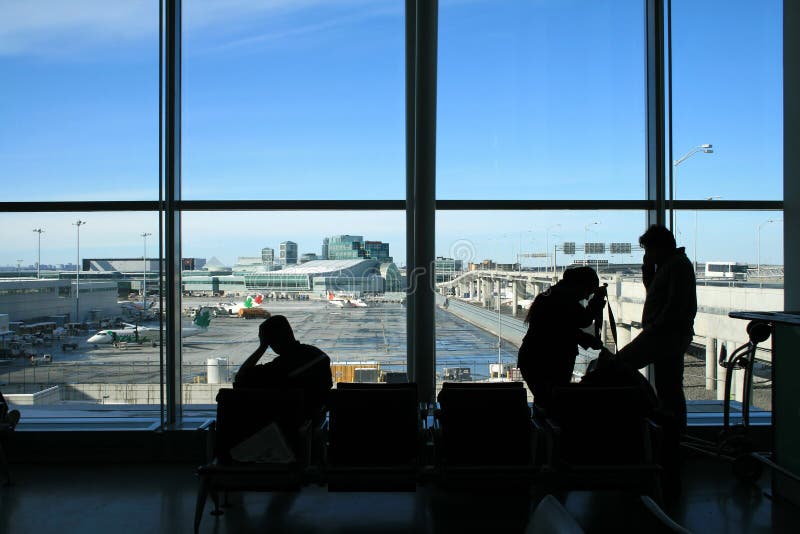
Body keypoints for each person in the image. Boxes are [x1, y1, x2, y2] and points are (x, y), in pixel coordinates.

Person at [615, 224, 697, 431]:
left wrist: (654, 327)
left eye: (648, 249)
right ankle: (673, 430)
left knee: (620, 365)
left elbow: (674, 304)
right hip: (667, 334)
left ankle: (654, 412)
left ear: (660, 247)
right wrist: (647, 272)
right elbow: (657, 294)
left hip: (663, 334)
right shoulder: (670, 264)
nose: (647, 254)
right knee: (669, 386)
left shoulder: (677, 265)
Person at [517, 266, 607, 411]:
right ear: (579, 285)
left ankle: (542, 430)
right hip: (550, 361)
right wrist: (597, 301)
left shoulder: (550, 296)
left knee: (546, 403)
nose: (585, 297)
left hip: (533, 359)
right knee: (552, 404)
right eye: (587, 292)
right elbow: (583, 320)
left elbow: (560, 329)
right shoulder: (561, 298)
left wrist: (585, 339)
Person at [234, 315, 333, 423]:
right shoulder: (319, 355)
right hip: (315, 421)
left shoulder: (280, 367)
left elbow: (240, 379)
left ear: (271, 341)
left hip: (289, 425)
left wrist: (262, 347)